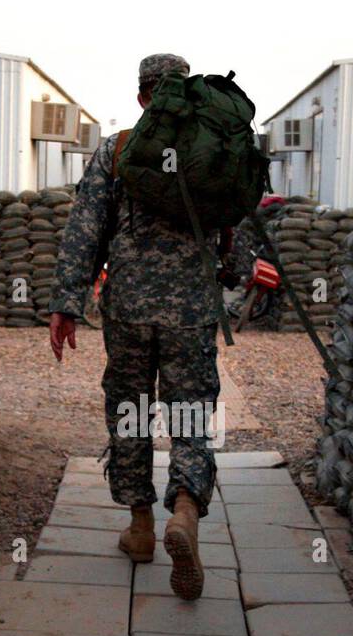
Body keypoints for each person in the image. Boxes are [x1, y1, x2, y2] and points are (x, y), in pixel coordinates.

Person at [48, 53, 235, 601]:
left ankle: (140, 527)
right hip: (193, 308)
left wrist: (67, 301)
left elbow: (86, 228)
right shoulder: (213, 147)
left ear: (141, 97)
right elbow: (233, 227)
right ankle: (184, 512)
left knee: (129, 408)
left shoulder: (120, 147)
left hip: (128, 305)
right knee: (191, 411)